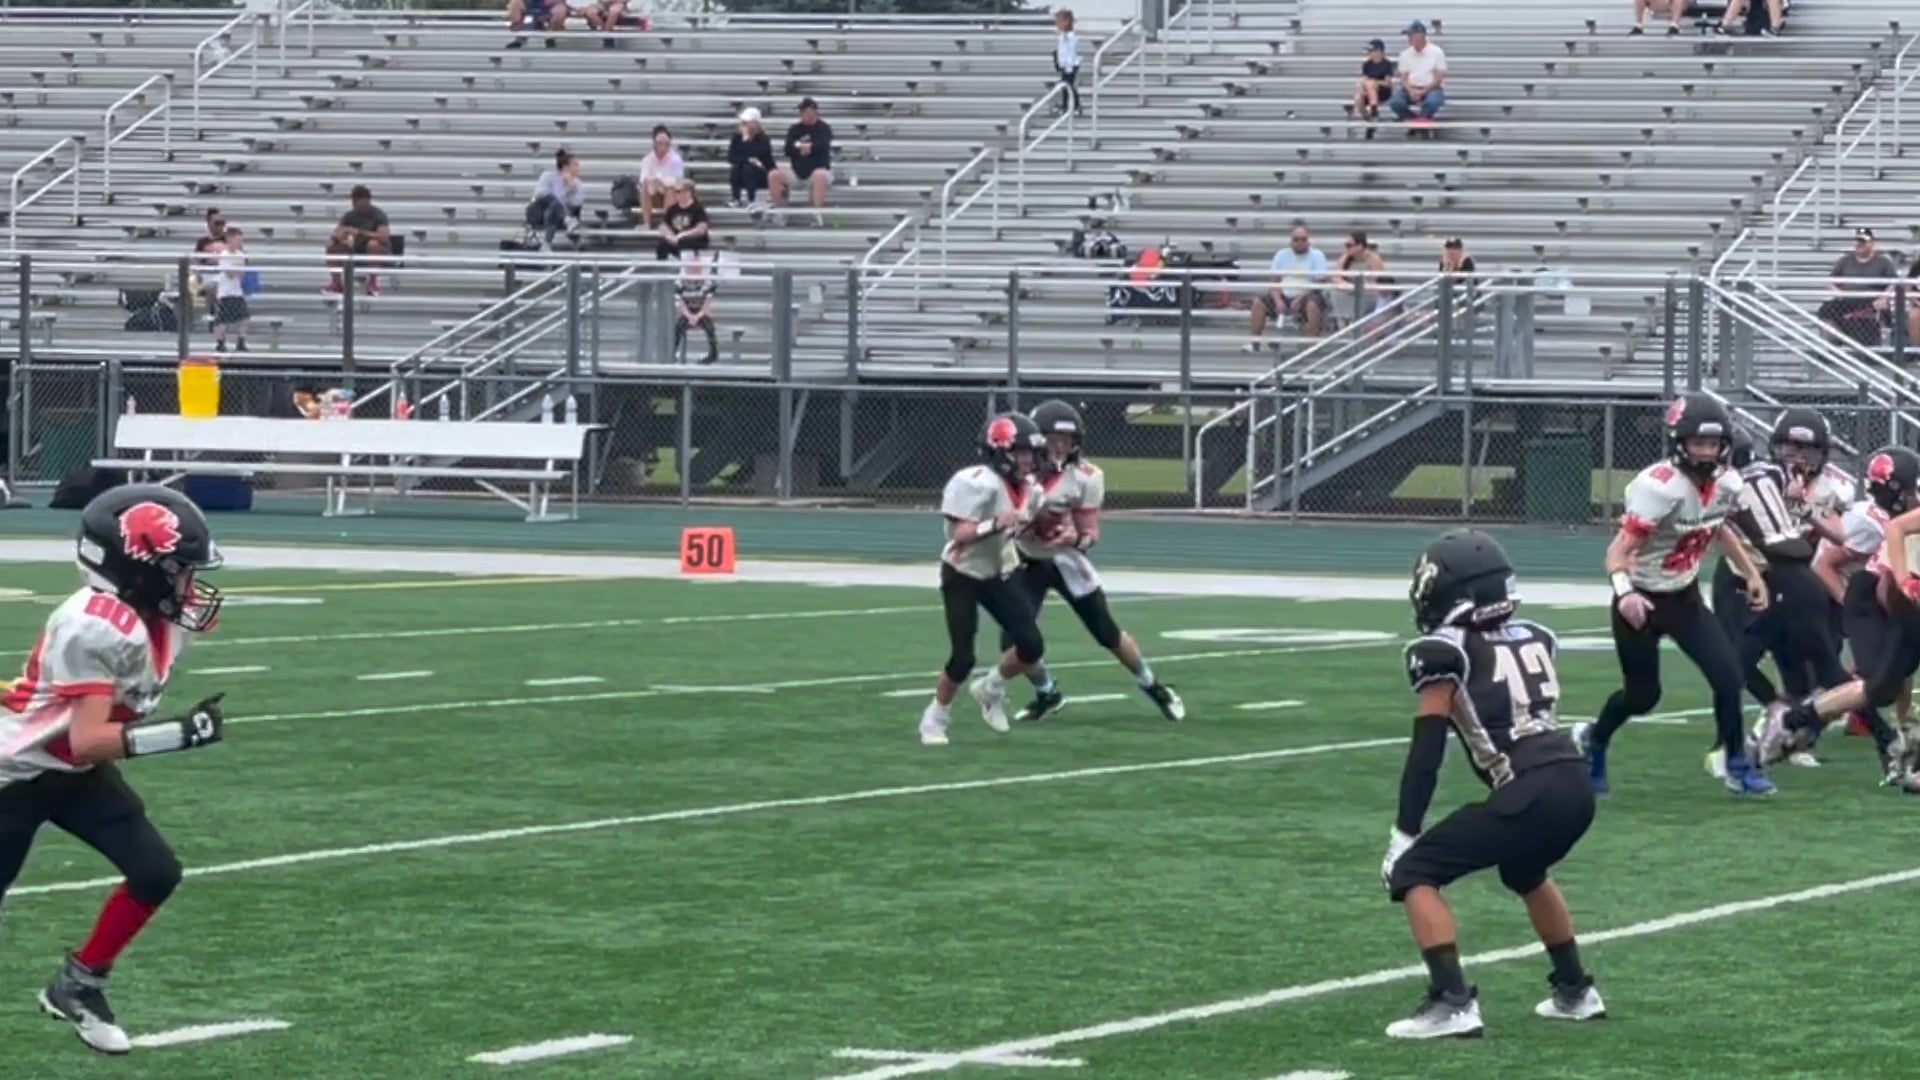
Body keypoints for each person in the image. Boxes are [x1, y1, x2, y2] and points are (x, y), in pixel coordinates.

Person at [0, 485, 229, 1055]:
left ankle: (78, 986)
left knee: (156, 872)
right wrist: (179, 734)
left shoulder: (158, 620)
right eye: (178, 571)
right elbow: (86, 740)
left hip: (70, 773)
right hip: (13, 774)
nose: (189, 585)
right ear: (139, 571)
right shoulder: (94, 624)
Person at [1381, 528, 1602, 1039]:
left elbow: (1428, 748)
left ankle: (1452, 1002)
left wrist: (1404, 832)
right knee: (1524, 870)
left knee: (1414, 873)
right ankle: (1574, 990)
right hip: (1573, 783)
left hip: (1530, 785)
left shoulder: (1444, 649)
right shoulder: (1537, 635)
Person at [1575, 393, 1773, 796]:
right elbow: (1617, 553)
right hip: (1642, 601)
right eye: (1699, 443)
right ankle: (1594, 738)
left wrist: (1751, 572)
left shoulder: (1727, 483)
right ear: (1679, 443)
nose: (1707, 452)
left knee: (1729, 676)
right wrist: (1625, 592)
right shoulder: (1659, 488)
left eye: (1713, 444)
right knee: (1642, 696)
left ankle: (1736, 763)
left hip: (1683, 598)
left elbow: (1716, 527)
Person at [1705, 413, 1873, 780]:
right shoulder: (1760, 479)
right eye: (1788, 446)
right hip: (1748, 576)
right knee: (1738, 661)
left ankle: (1796, 736)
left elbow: (1840, 536)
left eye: (1807, 448)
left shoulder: (1835, 489)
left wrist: (1803, 507)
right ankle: (1743, 735)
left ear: (1823, 452)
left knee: (1808, 669)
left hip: (1799, 583)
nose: (1796, 455)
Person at [1002, 401, 1185, 725]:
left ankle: (1153, 686)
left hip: (1065, 560)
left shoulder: (1086, 476)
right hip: (1025, 558)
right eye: (1053, 438)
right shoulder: (1017, 473)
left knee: (1106, 632)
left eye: (1066, 440)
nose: (1060, 446)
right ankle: (1047, 693)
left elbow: (1090, 533)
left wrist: (1073, 538)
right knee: (1015, 639)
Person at [1762, 447, 1920, 785]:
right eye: (1906, 491)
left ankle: (1905, 753)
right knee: (1881, 686)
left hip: (1896, 602)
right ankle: (1797, 721)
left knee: (1890, 681)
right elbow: (1881, 581)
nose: (1911, 496)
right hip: (1881, 598)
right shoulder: (1878, 521)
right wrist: (1903, 591)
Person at [922, 414, 1048, 747]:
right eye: (1020, 453)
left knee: (1031, 644)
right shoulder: (976, 481)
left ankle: (991, 687)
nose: (1027, 460)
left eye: (1030, 454)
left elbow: (1023, 527)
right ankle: (935, 717)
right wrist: (996, 523)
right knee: (962, 657)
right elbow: (959, 534)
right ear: (999, 450)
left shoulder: (1031, 491)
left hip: (997, 572)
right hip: (962, 572)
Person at [1248, 227, 1329, 345]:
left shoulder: (1317, 255)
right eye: (1296, 239)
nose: (1300, 242)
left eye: (1303, 239)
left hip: (1307, 293)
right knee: (1258, 303)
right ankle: (1254, 342)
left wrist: (1300, 298)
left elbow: (1319, 281)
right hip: (1284, 293)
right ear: (1290, 241)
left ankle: (1314, 343)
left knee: (1313, 304)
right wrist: (1277, 300)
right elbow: (1274, 281)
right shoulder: (1281, 254)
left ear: (1308, 241)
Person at [1818, 227, 1897, 347]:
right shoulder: (1845, 260)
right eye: (1858, 241)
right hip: (1848, 302)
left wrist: (1884, 297)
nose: (1859, 244)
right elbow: (1831, 280)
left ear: (1871, 243)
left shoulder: (1883, 262)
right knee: (1826, 309)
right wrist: (1837, 292)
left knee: (1874, 318)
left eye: (1863, 242)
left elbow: (1894, 282)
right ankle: (1837, 340)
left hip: (1871, 303)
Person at [771, 97, 833, 222]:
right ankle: (781, 212)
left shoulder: (824, 128)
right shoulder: (795, 129)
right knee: (774, 175)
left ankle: (817, 213)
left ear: (813, 110)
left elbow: (823, 146)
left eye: (803, 111)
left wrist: (811, 147)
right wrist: (801, 147)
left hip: (818, 169)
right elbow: (788, 149)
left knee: (819, 175)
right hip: (797, 171)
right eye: (801, 111)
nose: (801, 114)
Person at [324, 184, 390, 296]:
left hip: (376, 250)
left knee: (373, 244)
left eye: (358, 201)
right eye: (354, 201)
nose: (355, 204)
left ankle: (373, 282)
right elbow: (338, 231)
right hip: (355, 249)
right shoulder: (349, 216)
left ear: (367, 200)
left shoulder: (378, 215)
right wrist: (337, 237)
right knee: (333, 246)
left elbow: (383, 237)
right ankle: (336, 282)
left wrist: (360, 232)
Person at [1389, 21, 1447, 126]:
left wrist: (1423, 91)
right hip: (1411, 87)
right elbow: (1403, 77)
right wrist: (1411, 90)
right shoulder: (1405, 54)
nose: (1409, 39)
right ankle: (1418, 122)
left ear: (1421, 36)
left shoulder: (1436, 52)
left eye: (1411, 35)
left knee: (1433, 101)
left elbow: (1438, 78)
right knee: (1395, 103)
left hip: (1431, 88)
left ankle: (1416, 124)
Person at [527, 149, 585, 250]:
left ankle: (546, 244)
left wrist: (570, 190)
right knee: (550, 200)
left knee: (554, 209)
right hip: (538, 213)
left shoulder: (578, 184)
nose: (578, 167)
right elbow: (540, 195)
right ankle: (568, 220)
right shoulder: (547, 176)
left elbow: (576, 205)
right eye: (575, 164)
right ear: (566, 167)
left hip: (556, 218)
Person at [672, 252, 718, 364]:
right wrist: (689, 315)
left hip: (701, 311)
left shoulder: (707, 281)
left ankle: (713, 355)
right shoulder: (680, 282)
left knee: (710, 327)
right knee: (678, 327)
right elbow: (680, 303)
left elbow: (707, 304)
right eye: (692, 267)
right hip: (687, 311)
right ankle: (672, 353)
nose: (694, 269)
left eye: (697, 267)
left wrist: (698, 316)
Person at [212, 225, 250, 353]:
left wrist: (236, 270)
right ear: (229, 239)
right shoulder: (224, 255)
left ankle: (241, 342)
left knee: (244, 318)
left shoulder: (241, 255)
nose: (239, 243)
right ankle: (220, 343)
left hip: (237, 291)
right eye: (237, 240)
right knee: (222, 320)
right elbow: (229, 273)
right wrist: (236, 270)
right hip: (225, 292)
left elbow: (242, 273)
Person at [638, 125, 684, 230]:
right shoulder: (647, 160)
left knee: (670, 190)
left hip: (672, 194)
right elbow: (643, 180)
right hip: (654, 194)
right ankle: (646, 223)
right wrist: (654, 184)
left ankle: (667, 224)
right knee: (645, 186)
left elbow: (678, 183)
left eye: (666, 144)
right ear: (654, 144)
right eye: (660, 144)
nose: (663, 147)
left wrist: (662, 184)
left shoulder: (675, 160)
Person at [728, 108, 775, 209]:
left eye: (747, 123)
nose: (744, 125)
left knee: (747, 169)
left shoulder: (763, 140)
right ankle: (736, 198)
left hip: (761, 173)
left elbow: (758, 154)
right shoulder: (737, 138)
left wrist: (747, 142)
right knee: (736, 168)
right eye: (743, 123)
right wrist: (747, 159)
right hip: (742, 171)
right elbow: (731, 157)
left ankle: (751, 199)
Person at [654, 179, 710, 263]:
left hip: (694, 240)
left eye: (678, 191)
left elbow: (701, 228)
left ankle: (687, 269)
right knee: (662, 245)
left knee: (684, 243)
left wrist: (683, 235)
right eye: (676, 192)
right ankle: (661, 269)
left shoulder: (698, 208)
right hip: (676, 240)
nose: (676, 194)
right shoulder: (672, 209)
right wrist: (670, 236)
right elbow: (663, 225)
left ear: (688, 192)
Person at [1353, 38, 1394, 134]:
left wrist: (1375, 82)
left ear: (1379, 51)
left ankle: (1374, 111)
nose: (1370, 53)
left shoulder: (1387, 64)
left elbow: (1388, 83)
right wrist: (1362, 89)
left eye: (1372, 51)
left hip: (1383, 91)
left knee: (1371, 84)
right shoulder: (1367, 64)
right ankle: (1369, 119)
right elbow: (1365, 79)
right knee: (1358, 98)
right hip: (1370, 90)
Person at [1051, 9, 1081, 116]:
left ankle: (1075, 106)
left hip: (1071, 66)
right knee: (1065, 86)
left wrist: (1068, 67)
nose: (1057, 24)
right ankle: (1065, 105)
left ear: (1067, 22)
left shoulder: (1071, 37)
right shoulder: (1062, 36)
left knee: (1069, 86)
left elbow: (1070, 53)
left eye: (1059, 21)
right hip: (1065, 65)